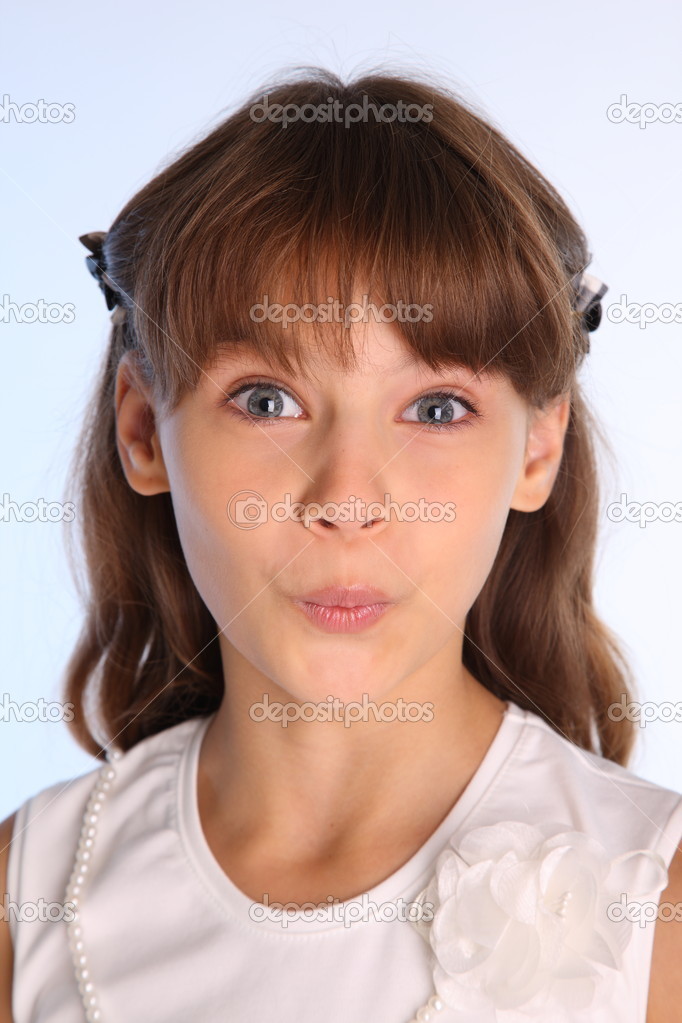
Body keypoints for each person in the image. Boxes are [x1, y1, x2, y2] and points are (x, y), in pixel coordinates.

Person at [1, 68, 680, 1023]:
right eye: (268, 400)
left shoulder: (655, 911)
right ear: (145, 429)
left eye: (436, 407)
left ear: (539, 446)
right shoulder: (27, 900)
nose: (348, 499)